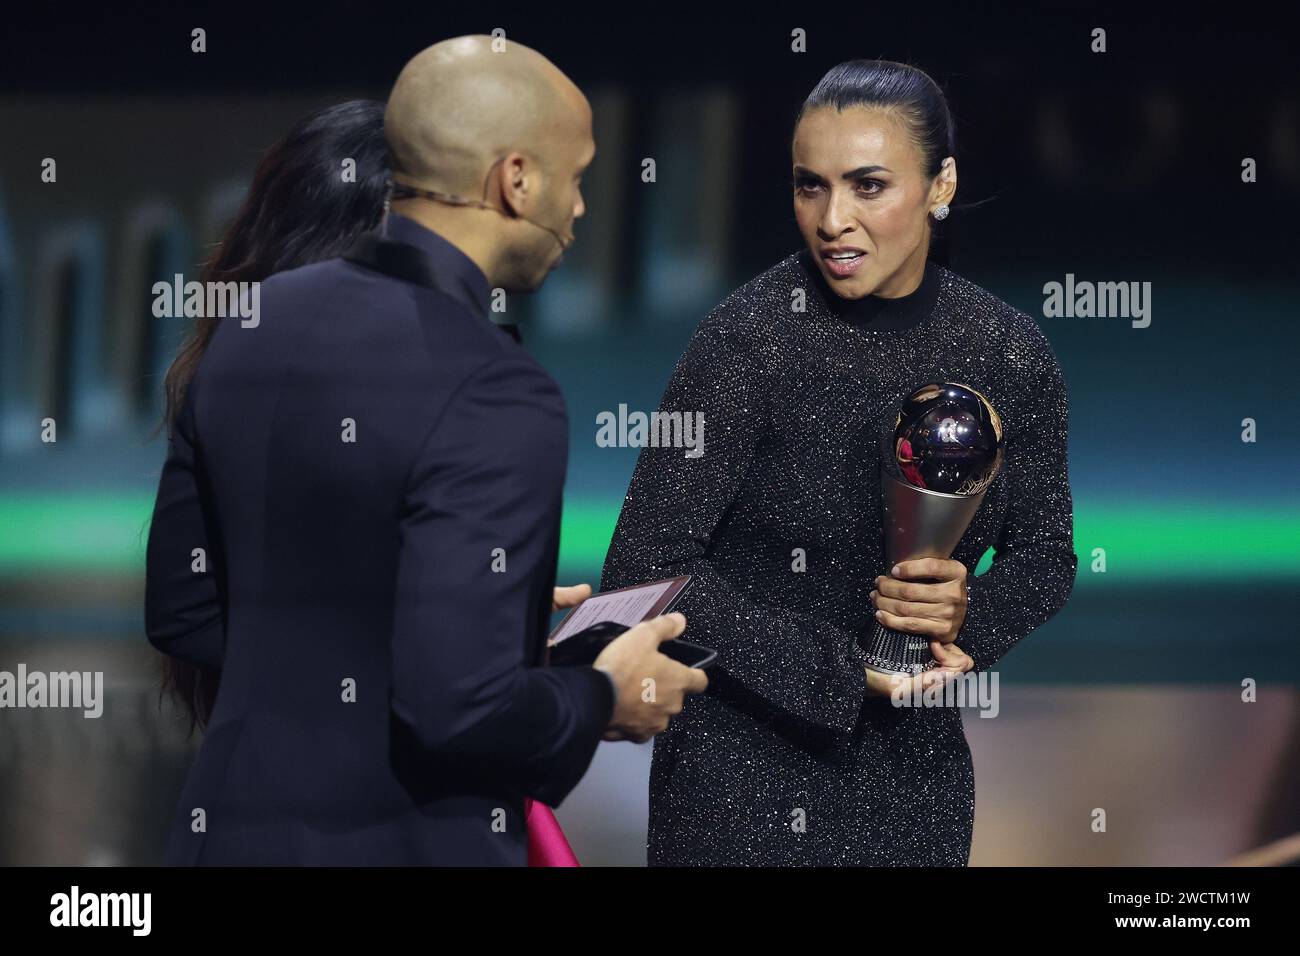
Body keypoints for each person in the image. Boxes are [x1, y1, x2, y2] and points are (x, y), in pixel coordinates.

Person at [146, 35, 705, 866]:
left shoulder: (255, 324)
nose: (582, 208)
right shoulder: (496, 388)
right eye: (577, 177)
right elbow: (459, 712)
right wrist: (600, 694)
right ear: (513, 180)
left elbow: (186, 612)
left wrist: (443, 623)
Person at [601, 59, 1077, 866]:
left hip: (913, 786)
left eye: (867, 185)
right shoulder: (745, 343)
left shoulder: (1008, 350)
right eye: (809, 186)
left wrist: (963, 624)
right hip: (736, 782)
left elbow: (1046, 555)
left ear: (940, 184)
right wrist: (842, 672)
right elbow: (646, 568)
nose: (831, 219)